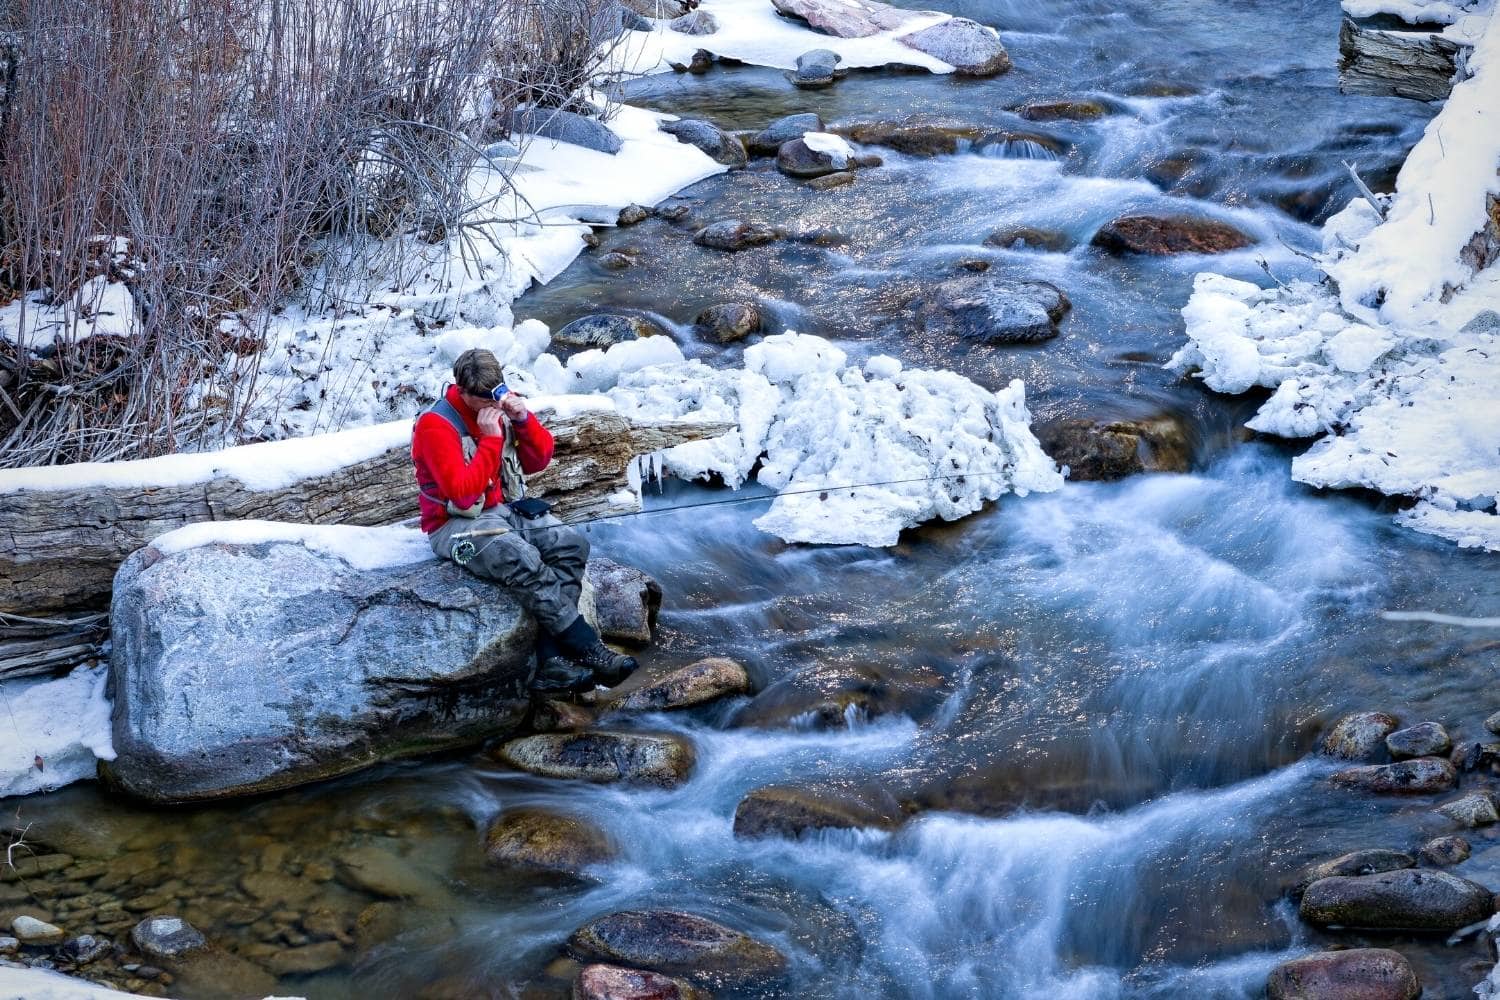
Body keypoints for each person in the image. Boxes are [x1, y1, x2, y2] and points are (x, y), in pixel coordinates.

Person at [411, 348, 637, 692]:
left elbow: (538, 460)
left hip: (501, 511)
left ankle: (551, 662)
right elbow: (463, 495)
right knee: (521, 556)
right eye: (483, 398)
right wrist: (490, 440)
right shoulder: (436, 425)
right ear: (462, 390)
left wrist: (522, 420)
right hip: (451, 527)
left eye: (497, 393)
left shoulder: (498, 408)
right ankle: (588, 649)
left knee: (569, 544)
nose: (492, 402)